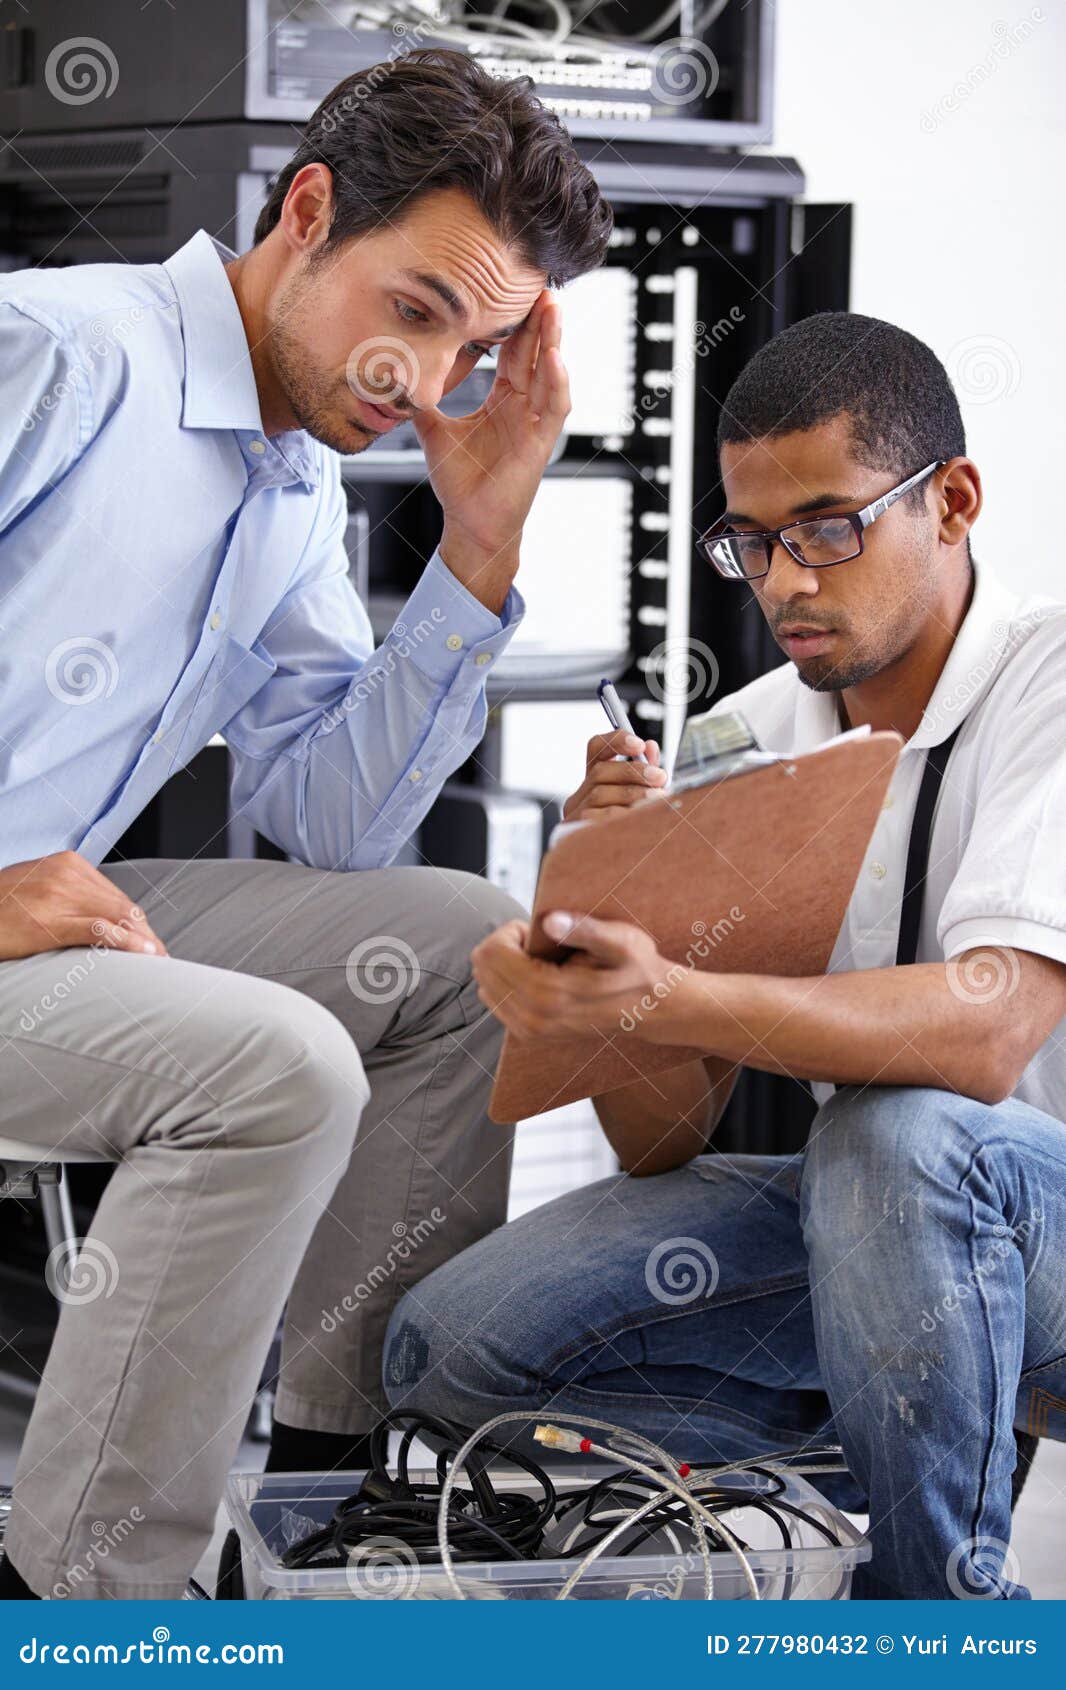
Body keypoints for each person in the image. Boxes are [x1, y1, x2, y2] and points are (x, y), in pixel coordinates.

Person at [0, 50, 610, 1599]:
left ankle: (343, 1504)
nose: (427, 384)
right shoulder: (63, 352)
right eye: (415, 311)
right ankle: (87, 1595)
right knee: (279, 1063)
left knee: (465, 947)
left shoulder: (288, 488)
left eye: (474, 349)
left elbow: (337, 833)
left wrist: (479, 538)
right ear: (310, 209)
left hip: (55, 918)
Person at [383, 312, 1066, 1600]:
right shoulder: (746, 734)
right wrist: (623, 912)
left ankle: (942, 1617)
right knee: (453, 1350)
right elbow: (657, 1146)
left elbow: (987, 1033)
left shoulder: (1051, 679)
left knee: (896, 1133)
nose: (785, 583)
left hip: (1039, 1231)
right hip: (888, 1247)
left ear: (955, 502)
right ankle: (882, 1452)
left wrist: (680, 987)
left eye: (826, 529)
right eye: (751, 541)